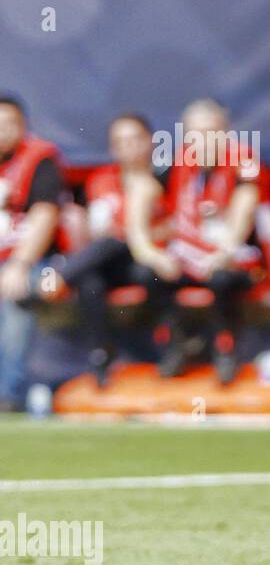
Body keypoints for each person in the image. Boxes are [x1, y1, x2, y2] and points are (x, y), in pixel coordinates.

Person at [136, 99, 266, 385]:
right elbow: (142, 191)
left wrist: (223, 253)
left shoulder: (242, 161)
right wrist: (147, 250)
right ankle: (174, 345)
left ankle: (226, 350)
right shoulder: (178, 162)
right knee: (148, 274)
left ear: (226, 132)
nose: (203, 141)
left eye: (211, 132)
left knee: (222, 279)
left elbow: (244, 209)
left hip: (234, 257)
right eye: (195, 134)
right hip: (188, 255)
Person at [54, 114, 160, 386]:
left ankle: (60, 275)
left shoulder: (164, 177)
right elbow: (96, 229)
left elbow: (175, 226)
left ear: (150, 142)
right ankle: (102, 356)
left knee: (118, 245)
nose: (130, 147)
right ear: (112, 148)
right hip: (110, 261)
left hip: (151, 262)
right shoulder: (101, 180)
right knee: (90, 281)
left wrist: (135, 234)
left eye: (136, 139)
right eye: (121, 142)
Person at [0, 95, 65, 412]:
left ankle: (8, 394)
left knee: (16, 292)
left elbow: (45, 215)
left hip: (42, 265)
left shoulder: (40, 158)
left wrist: (19, 264)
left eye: (9, 124)